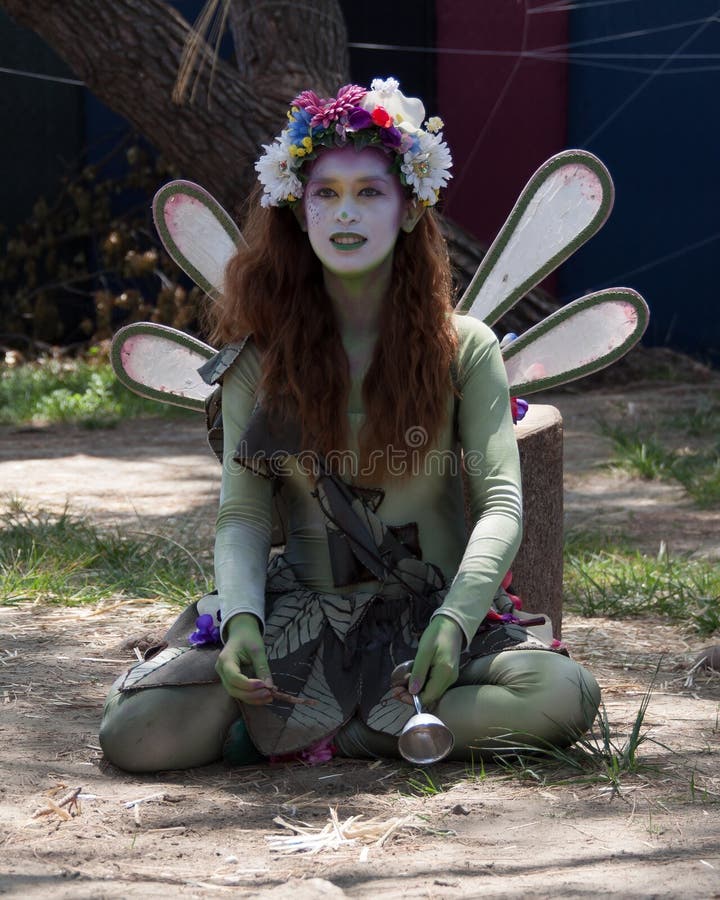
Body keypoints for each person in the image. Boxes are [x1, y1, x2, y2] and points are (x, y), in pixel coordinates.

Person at [100, 78, 600, 772]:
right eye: (325, 193)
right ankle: (371, 726)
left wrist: (456, 624)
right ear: (297, 212)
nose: (347, 213)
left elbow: (501, 507)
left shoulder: (467, 347)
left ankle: (322, 734)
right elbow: (242, 514)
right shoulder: (260, 360)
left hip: (432, 611)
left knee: (563, 694)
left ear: (407, 210)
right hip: (302, 610)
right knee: (135, 732)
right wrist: (242, 617)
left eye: (370, 192)